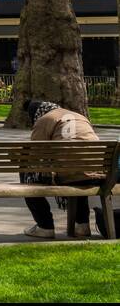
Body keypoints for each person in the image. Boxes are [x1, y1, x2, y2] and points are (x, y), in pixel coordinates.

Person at [21, 100, 105, 240]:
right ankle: (82, 225)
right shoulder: (80, 116)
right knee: (79, 173)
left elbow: (35, 155)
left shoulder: (44, 120)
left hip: (70, 173)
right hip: (95, 172)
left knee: (26, 173)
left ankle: (45, 226)